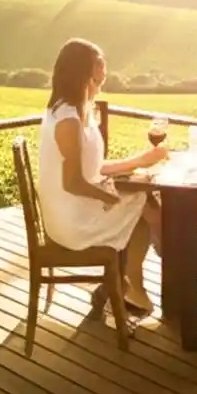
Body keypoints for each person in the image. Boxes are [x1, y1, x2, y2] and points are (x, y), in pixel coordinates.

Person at [39, 38, 167, 313]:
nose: (98, 88)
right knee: (145, 204)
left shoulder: (75, 110)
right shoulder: (67, 121)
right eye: (95, 81)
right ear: (80, 77)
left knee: (143, 197)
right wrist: (106, 195)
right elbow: (72, 182)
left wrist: (141, 160)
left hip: (77, 206)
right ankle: (142, 275)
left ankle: (124, 284)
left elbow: (93, 168)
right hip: (71, 222)